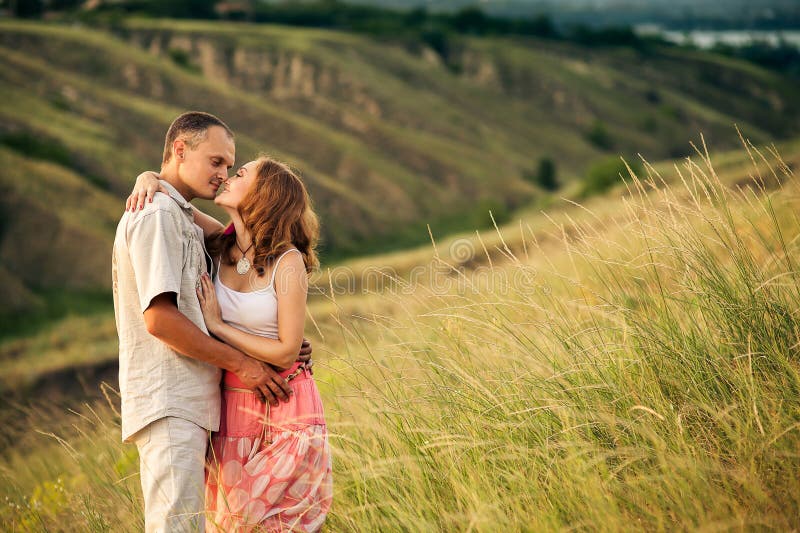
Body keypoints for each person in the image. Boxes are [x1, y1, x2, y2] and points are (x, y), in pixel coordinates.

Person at [113, 111, 312, 532]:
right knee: (176, 525)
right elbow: (160, 320)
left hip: (200, 403)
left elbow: (236, 241)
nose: (223, 175)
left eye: (230, 166)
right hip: (171, 400)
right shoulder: (157, 215)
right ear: (180, 150)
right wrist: (242, 363)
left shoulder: (179, 214)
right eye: (217, 162)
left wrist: (275, 342)